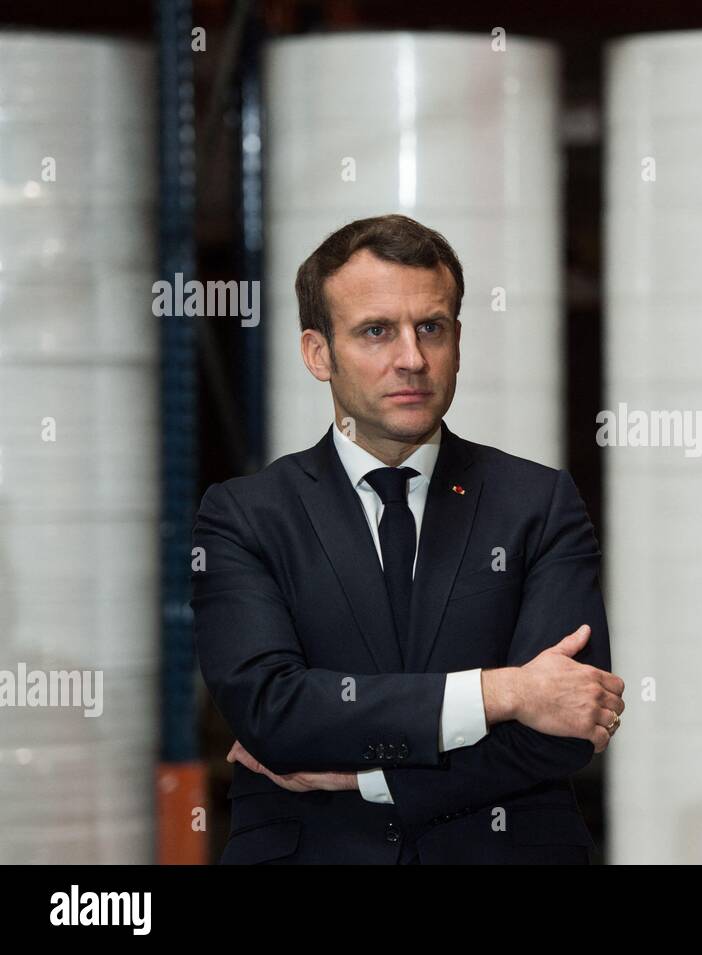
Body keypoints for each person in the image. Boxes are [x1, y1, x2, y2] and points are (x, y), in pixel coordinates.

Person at [191, 214, 623, 864]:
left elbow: (565, 727)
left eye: (432, 328)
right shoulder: (245, 515)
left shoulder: (537, 503)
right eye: (376, 331)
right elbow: (273, 712)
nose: (412, 358)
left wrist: (369, 777)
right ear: (318, 353)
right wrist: (503, 692)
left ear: (457, 340)